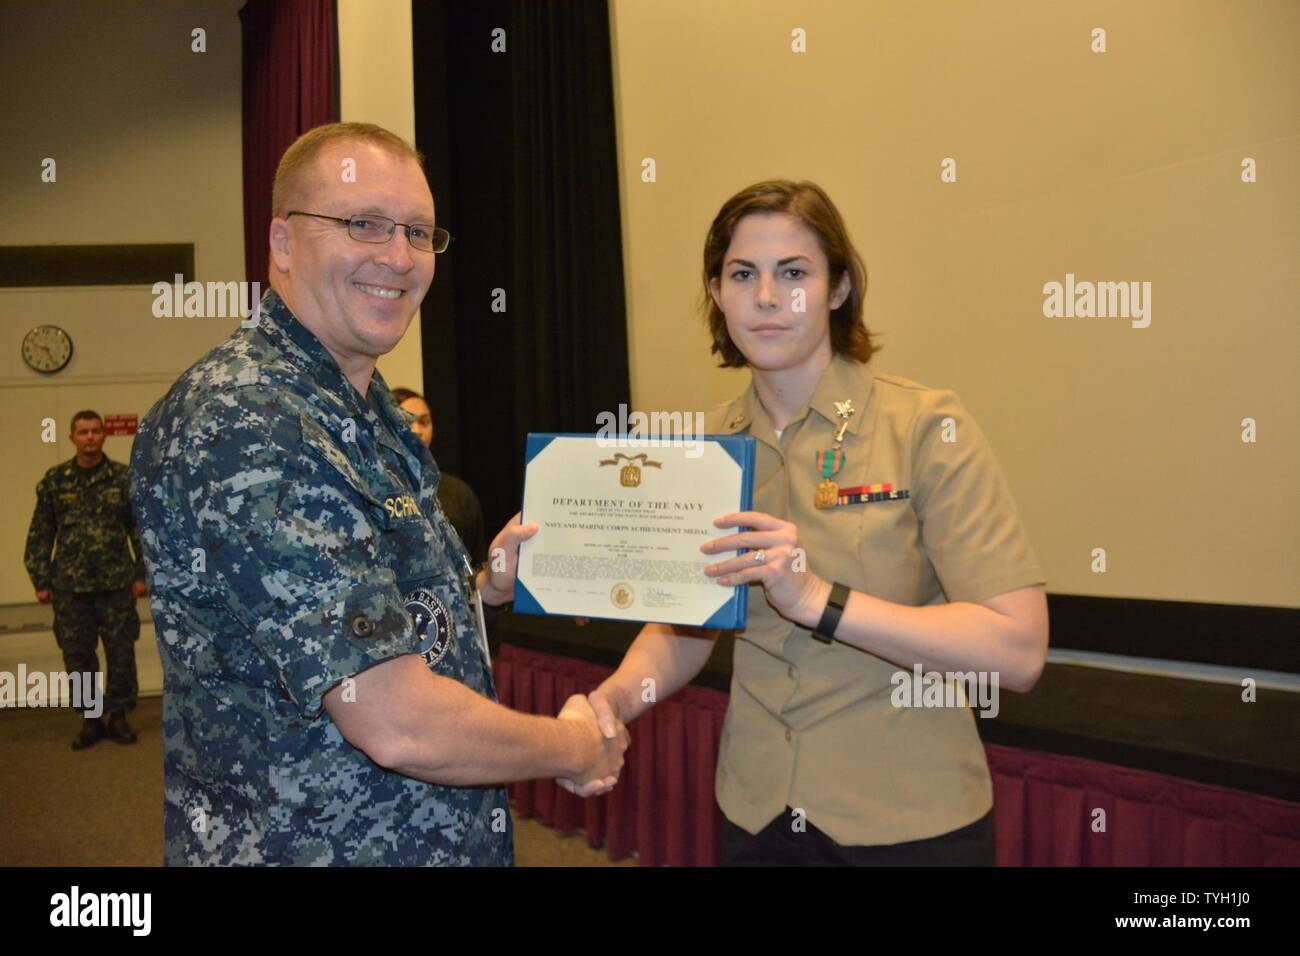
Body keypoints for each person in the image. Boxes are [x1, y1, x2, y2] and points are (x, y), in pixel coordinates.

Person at [129, 122, 627, 866]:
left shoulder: (364, 404)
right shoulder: (250, 423)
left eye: (418, 233)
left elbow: (373, 608)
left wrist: (479, 589)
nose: (397, 258)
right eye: (363, 224)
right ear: (284, 242)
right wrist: (572, 746)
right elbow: (394, 721)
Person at [574, 180, 1049, 865]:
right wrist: (609, 703)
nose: (767, 296)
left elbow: (1018, 651)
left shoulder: (925, 426)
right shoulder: (700, 450)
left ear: (836, 289)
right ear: (717, 294)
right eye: (743, 274)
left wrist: (820, 602)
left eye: (794, 273)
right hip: (757, 814)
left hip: (909, 824)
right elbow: (687, 629)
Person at [24, 410, 147, 749]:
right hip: (70, 588)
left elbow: (137, 531)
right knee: (78, 656)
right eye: (83, 432)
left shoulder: (123, 479)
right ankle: (91, 718)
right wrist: (41, 578)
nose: (90, 437)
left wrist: (141, 575)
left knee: (121, 653)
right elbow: (40, 533)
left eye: (95, 431)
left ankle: (119, 715)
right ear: (72, 437)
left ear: (104, 435)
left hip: (116, 584)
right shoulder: (55, 481)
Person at [390, 386, 487, 565]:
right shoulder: (378, 488)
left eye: (424, 422)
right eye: (407, 420)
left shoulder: (459, 493)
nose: (418, 430)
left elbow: (477, 562)